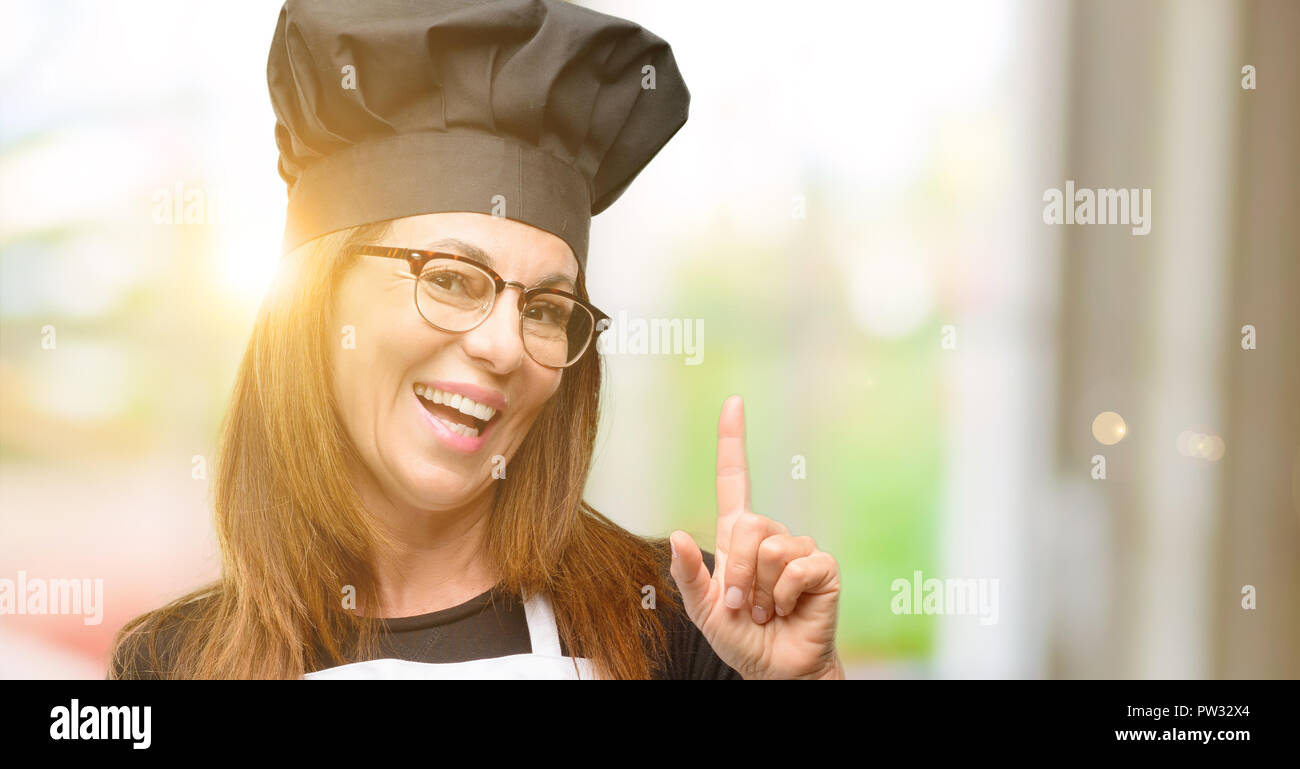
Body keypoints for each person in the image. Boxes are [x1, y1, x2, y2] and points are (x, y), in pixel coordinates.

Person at [109, 0, 843, 680]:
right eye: (454, 279)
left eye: (548, 308)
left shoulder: (683, 625)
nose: (506, 347)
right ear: (317, 301)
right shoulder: (172, 661)